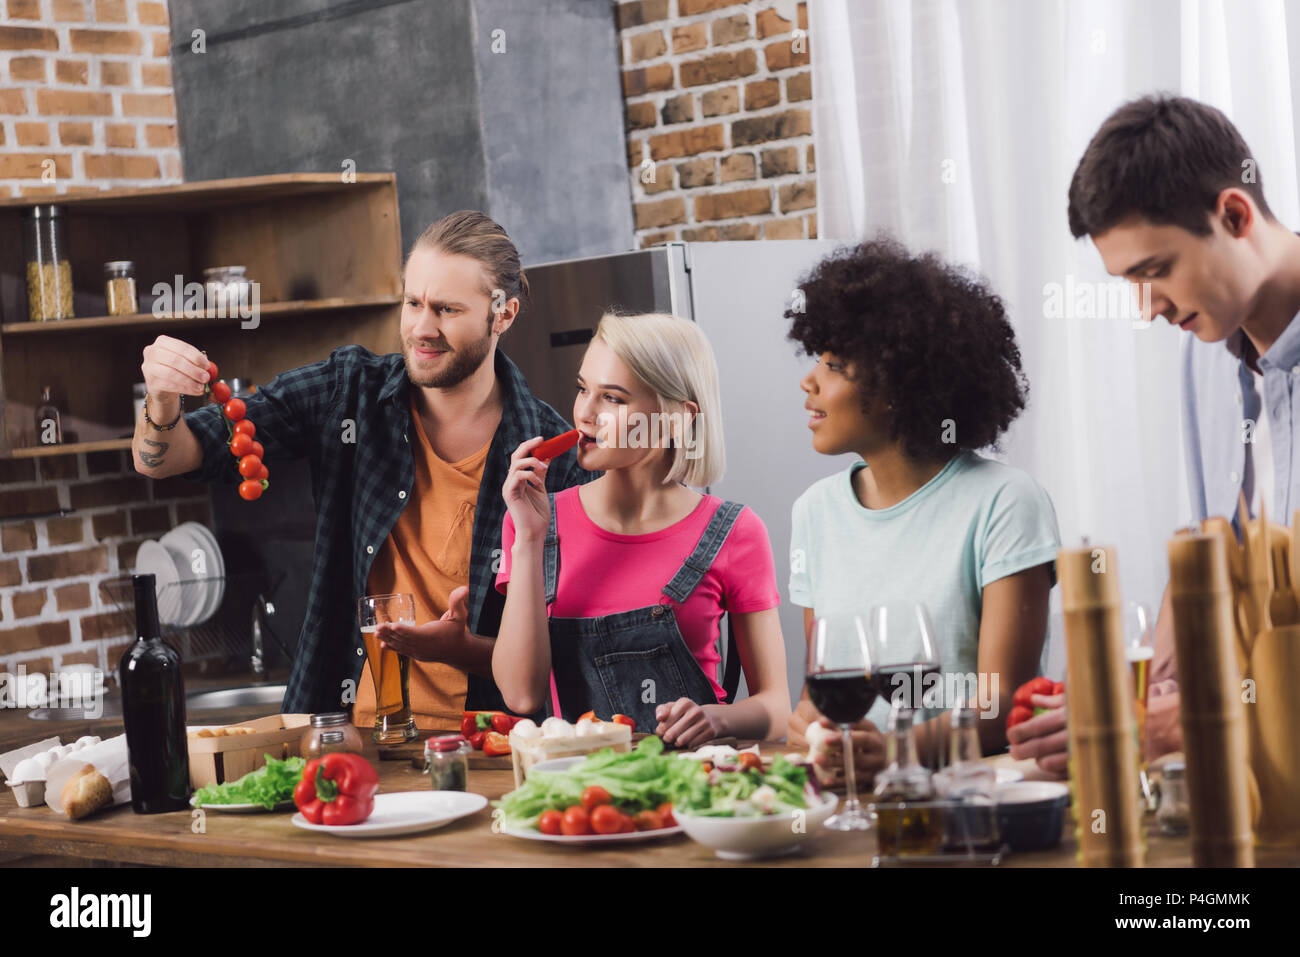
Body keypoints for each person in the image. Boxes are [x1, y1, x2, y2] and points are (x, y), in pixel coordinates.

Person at [132, 210, 596, 729]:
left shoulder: (555, 465)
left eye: (446, 309)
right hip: (345, 740)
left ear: (503, 315)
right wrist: (161, 398)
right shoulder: (348, 392)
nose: (422, 327)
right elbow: (170, 457)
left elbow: (568, 663)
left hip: (489, 751)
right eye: (413, 302)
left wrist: (462, 649)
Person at [1013, 94, 1300, 774]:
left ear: (1234, 214)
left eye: (1155, 270)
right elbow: (1211, 550)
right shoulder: (1203, 357)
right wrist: (1139, 693)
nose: (1148, 309)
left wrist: (1184, 718)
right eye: (1128, 282)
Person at [784, 238, 1061, 780]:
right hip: (853, 799)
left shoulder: (1005, 502)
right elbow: (819, 690)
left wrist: (893, 752)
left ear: (896, 387)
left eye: (835, 365)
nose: (808, 380)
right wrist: (808, 726)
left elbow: (1001, 702)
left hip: (971, 804)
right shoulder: (814, 512)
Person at [491, 312, 791, 747]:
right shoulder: (533, 521)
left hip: (692, 788)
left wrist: (717, 719)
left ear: (676, 418)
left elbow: (778, 710)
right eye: (582, 389)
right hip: (579, 794)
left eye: (612, 398)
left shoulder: (737, 532)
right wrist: (530, 539)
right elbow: (521, 695)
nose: (585, 414)